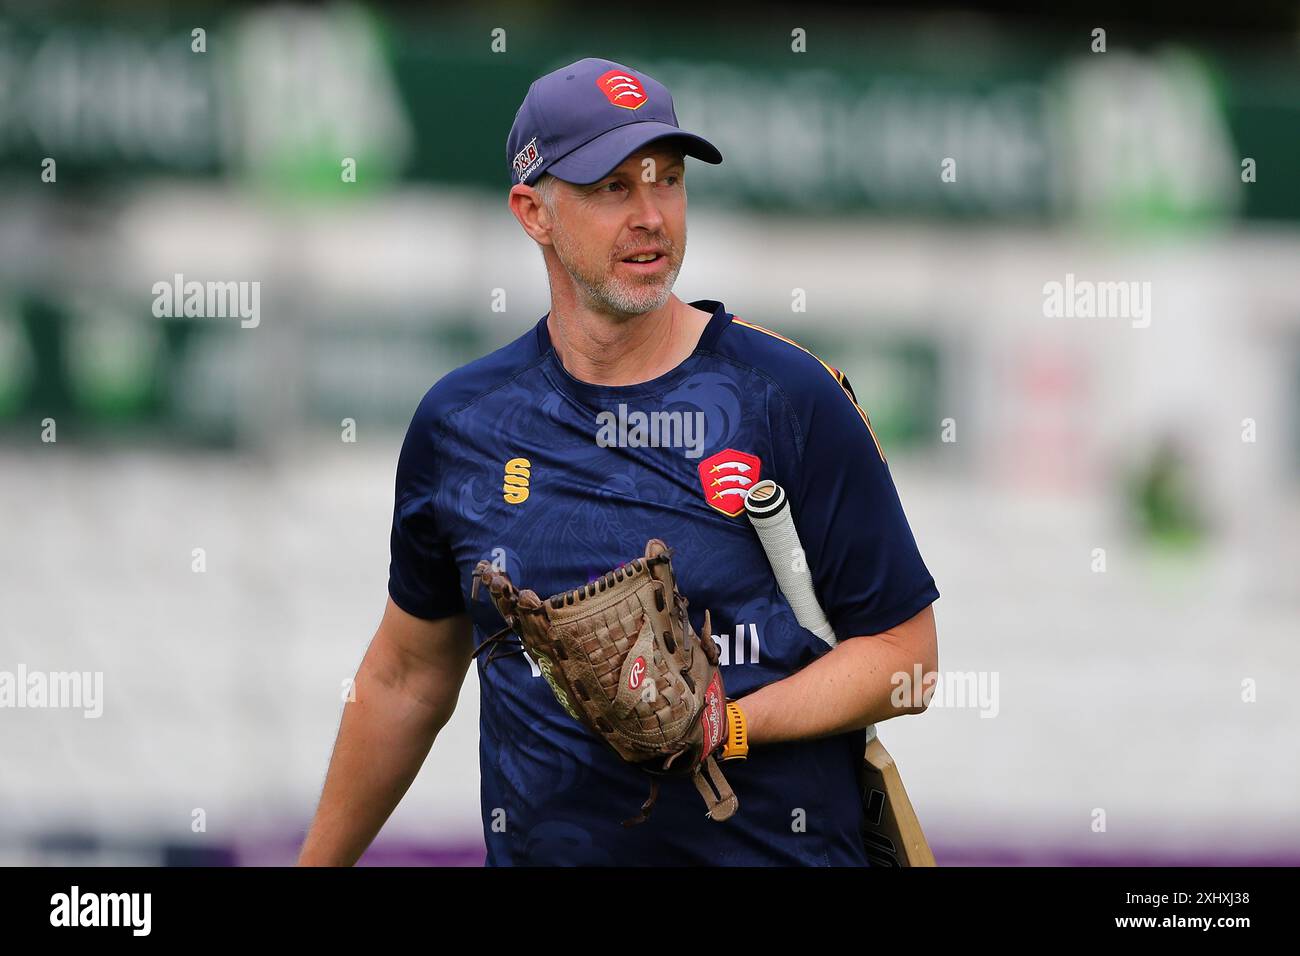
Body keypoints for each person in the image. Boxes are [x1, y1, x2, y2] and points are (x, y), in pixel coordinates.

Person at [299, 57, 939, 867]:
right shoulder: (461, 423)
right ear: (534, 212)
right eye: (612, 188)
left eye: (667, 181)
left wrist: (730, 723)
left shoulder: (786, 396)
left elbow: (907, 660)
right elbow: (406, 678)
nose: (652, 216)